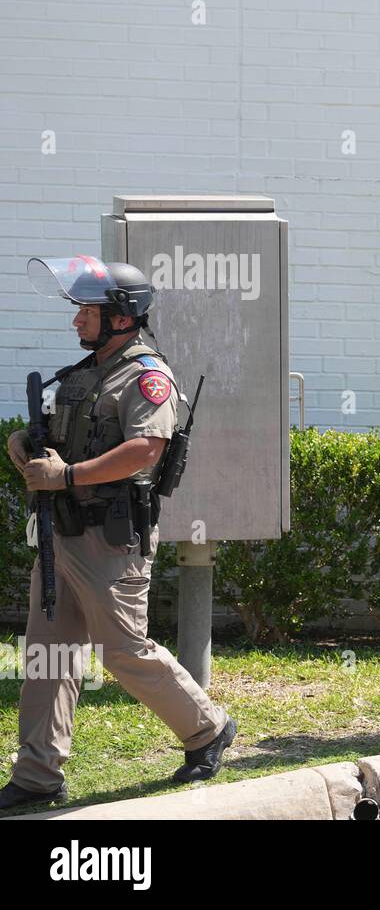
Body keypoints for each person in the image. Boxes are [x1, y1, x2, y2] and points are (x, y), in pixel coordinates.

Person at [1, 256, 235, 811]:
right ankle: (37, 774)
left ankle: (207, 729)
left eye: (87, 310)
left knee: (124, 650)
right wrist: (25, 445)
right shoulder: (81, 374)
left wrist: (69, 475)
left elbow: (144, 450)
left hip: (111, 537)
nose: (76, 320)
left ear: (122, 317)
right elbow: (57, 438)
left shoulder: (146, 375)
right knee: (47, 655)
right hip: (61, 533)